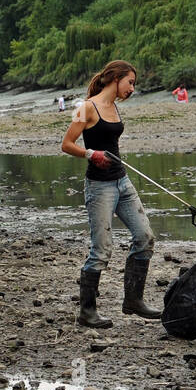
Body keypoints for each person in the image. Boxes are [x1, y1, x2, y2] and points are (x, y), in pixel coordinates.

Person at [60, 59, 161, 328]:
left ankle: (134, 301)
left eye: (134, 84)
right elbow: (66, 144)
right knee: (102, 249)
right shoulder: (85, 108)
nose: (132, 88)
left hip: (122, 182)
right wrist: (90, 154)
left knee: (145, 237)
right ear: (116, 78)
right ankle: (87, 312)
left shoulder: (115, 106)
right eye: (130, 82)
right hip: (99, 187)